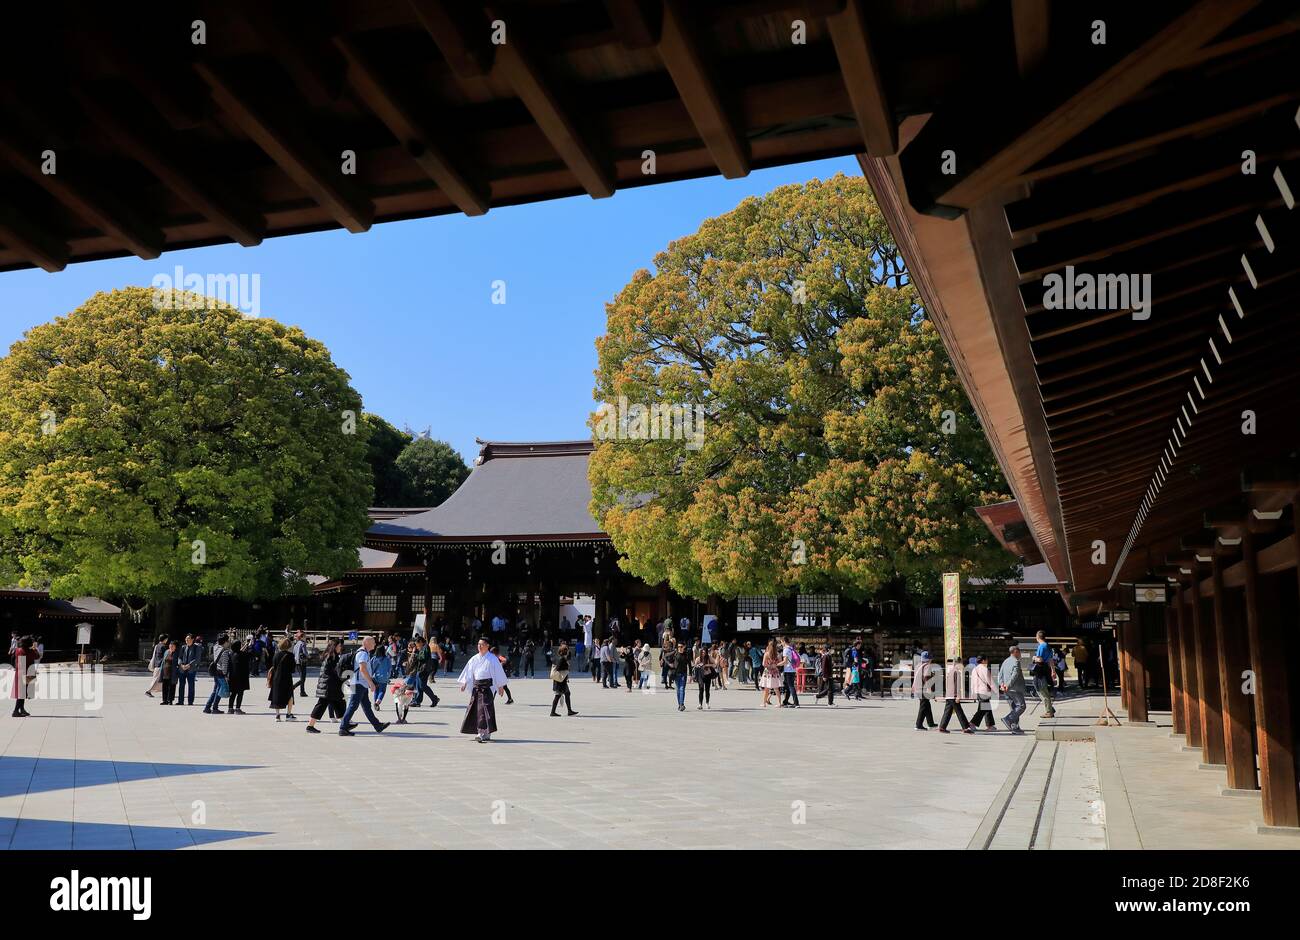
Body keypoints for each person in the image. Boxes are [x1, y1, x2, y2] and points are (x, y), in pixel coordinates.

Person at [458, 636, 509, 742]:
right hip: (476, 687)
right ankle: (481, 732)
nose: (479, 646)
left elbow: (498, 672)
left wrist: (500, 686)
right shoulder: (474, 658)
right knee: (476, 710)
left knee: (485, 710)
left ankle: (484, 732)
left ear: (487, 646)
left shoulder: (492, 658)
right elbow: (468, 671)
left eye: (482, 644)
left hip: (487, 687)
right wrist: (464, 682)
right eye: (478, 644)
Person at [339, 636, 391, 736]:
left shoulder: (364, 653)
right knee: (353, 706)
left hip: (361, 683)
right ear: (367, 643)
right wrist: (371, 683)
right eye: (373, 642)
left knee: (366, 706)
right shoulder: (362, 654)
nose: (375, 644)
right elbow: (362, 669)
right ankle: (343, 728)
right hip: (359, 683)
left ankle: (377, 725)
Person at [306, 638, 346, 733]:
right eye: (340, 646)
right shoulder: (332, 657)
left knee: (338, 703)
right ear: (335, 646)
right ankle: (310, 726)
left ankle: (345, 723)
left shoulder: (330, 656)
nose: (341, 647)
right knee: (322, 705)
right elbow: (333, 672)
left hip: (329, 685)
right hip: (329, 686)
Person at [939, 658, 973, 734]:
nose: (963, 665)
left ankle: (942, 727)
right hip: (953, 695)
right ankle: (966, 727)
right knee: (959, 712)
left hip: (948, 695)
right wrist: (958, 695)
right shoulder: (957, 672)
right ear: (958, 663)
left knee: (947, 712)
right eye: (962, 663)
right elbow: (957, 685)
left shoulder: (951, 671)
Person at [998, 645, 1027, 734]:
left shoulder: (1005, 661)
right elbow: (1015, 675)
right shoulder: (1016, 662)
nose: (1020, 654)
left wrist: (1002, 684)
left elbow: (1000, 674)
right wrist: (1007, 685)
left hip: (1006, 689)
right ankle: (1008, 719)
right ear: (1015, 652)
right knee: (1021, 706)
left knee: (1014, 708)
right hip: (1014, 689)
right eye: (1019, 652)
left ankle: (1015, 727)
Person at [268, 637, 297, 721]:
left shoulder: (276, 655)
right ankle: (288, 714)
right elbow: (292, 669)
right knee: (290, 696)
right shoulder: (290, 656)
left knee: (277, 696)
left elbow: (274, 666)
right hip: (287, 678)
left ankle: (277, 715)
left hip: (276, 678)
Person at [202, 635, 232, 714]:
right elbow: (224, 665)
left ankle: (207, 707)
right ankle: (215, 708)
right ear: (225, 642)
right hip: (221, 672)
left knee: (215, 690)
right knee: (220, 690)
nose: (228, 643)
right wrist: (226, 675)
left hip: (215, 671)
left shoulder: (216, 647)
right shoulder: (225, 651)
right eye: (228, 641)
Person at [10, 636, 39, 717]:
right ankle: (15, 711)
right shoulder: (30, 651)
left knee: (23, 692)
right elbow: (37, 656)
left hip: (20, 672)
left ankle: (22, 709)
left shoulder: (18, 650)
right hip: (28, 673)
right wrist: (35, 648)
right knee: (22, 693)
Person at [1032, 630, 1057, 718]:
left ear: (1037, 637)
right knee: (1042, 689)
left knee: (1041, 690)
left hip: (1040, 670)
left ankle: (1049, 711)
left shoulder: (1041, 646)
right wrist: (1053, 671)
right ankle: (1049, 708)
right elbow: (1051, 660)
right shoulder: (1048, 646)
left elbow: (1040, 659)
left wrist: (1034, 658)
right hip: (1046, 669)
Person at [550, 643, 578, 717]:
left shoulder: (563, 658)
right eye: (567, 650)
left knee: (567, 693)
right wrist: (566, 669)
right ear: (565, 651)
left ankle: (569, 710)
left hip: (562, 681)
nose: (568, 651)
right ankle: (552, 712)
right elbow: (558, 668)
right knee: (558, 696)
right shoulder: (562, 659)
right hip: (559, 681)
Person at [969, 654, 996, 730]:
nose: (987, 661)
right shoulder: (984, 669)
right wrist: (996, 691)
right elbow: (990, 682)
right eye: (986, 660)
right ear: (983, 660)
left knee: (987, 708)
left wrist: (972, 692)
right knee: (983, 709)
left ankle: (990, 725)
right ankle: (972, 723)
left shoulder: (974, 669)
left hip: (977, 691)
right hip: (984, 692)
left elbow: (972, 682)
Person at [913, 652, 937, 731]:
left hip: (917, 688)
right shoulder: (927, 666)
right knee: (923, 706)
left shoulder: (918, 665)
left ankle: (931, 723)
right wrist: (929, 688)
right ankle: (918, 725)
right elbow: (926, 677)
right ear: (929, 659)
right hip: (923, 688)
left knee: (927, 705)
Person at [175, 634, 200, 705]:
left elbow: (197, 658)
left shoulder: (196, 647)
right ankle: (180, 701)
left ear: (192, 639)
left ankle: (190, 701)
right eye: (186, 639)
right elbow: (179, 657)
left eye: (188, 639)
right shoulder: (183, 647)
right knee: (181, 685)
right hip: (182, 669)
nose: (186, 640)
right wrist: (181, 664)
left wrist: (189, 665)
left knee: (191, 685)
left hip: (191, 669)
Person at [228, 637, 251, 714]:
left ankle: (230, 708)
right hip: (241, 677)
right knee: (240, 693)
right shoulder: (243, 655)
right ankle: (238, 708)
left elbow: (239, 652)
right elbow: (249, 655)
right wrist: (249, 646)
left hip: (232, 677)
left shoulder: (230, 654)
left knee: (233, 693)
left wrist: (245, 645)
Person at [666, 641, 690, 712]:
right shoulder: (675, 653)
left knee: (682, 689)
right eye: (678, 647)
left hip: (684, 674)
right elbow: (665, 656)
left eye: (681, 647)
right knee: (678, 690)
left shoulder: (686, 654)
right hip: (676, 674)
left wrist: (691, 674)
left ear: (684, 647)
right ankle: (679, 705)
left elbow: (689, 665)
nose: (679, 648)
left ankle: (682, 704)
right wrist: (669, 664)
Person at [759, 640, 782, 707]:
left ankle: (764, 703)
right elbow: (780, 663)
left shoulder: (767, 654)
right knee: (776, 688)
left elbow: (763, 664)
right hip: (775, 672)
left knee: (766, 688)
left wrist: (769, 666)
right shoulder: (778, 654)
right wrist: (775, 665)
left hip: (768, 673)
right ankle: (779, 703)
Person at [779, 637, 800, 708]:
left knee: (791, 687)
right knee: (788, 687)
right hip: (793, 670)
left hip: (788, 670)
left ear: (784, 641)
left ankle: (796, 703)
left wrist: (777, 664)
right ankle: (785, 702)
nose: (781, 644)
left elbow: (785, 662)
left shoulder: (786, 650)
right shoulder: (791, 648)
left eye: (781, 642)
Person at [145, 634, 167, 698]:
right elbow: (164, 656)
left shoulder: (157, 646)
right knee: (156, 679)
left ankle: (164, 691)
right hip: (160, 665)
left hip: (156, 665)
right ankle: (148, 691)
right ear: (165, 639)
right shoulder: (163, 647)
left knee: (157, 679)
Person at [694, 644, 715, 710]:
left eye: (705, 652)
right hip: (700, 675)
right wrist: (698, 665)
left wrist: (708, 665)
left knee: (707, 690)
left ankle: (707, 703)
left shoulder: (709, 657)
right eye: (702, 652)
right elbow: (695, 666)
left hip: (708, 675)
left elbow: (715, 664)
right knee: (701, 689)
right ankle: (700, 704)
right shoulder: (698, 658)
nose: (704, 653)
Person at [159, 640, 178, 705]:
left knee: (172, 686)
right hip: (165, 671)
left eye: (173, 645)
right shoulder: (166, 651)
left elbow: (178, 661)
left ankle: (170, 700)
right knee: (165, 686)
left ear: (175, 647)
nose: (171, 646)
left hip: (172, 672)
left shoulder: (176, 653)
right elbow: (163, 662)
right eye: (170, 645)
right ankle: (165, 700)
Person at [292, 629, 309, 697]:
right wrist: (308, 656)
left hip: (297, 662)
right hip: (302, 662)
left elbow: (293, 652)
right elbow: (305, 652)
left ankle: (302, 692)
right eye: (304, 636)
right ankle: (294, 687)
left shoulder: (296, 644)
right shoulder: (302, 643)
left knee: (302, 677)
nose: (305, 637)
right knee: (303, 678)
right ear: (302, 637)